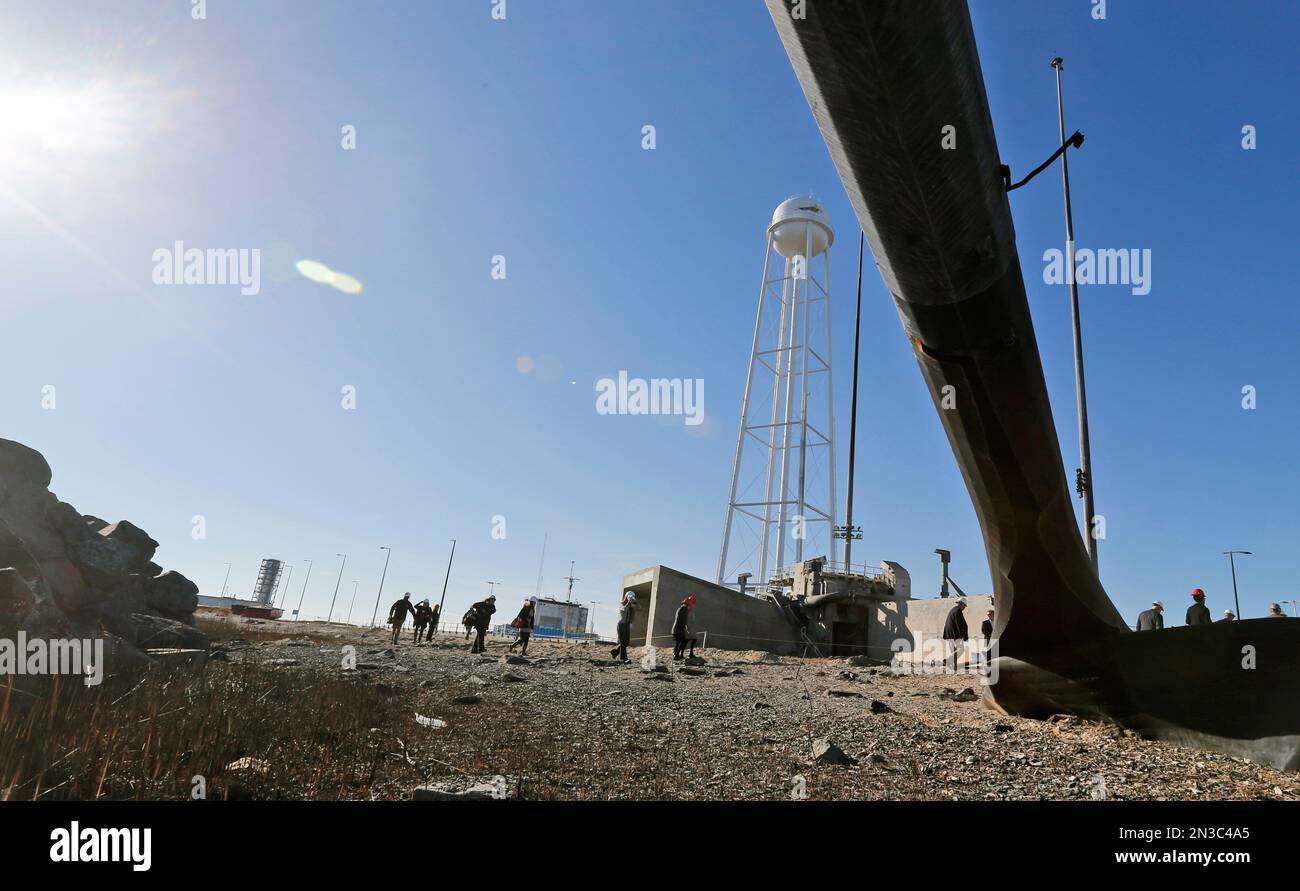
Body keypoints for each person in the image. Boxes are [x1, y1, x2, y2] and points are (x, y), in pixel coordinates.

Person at [941, 598, 968, 671]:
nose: (964, 608)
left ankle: (953, 666)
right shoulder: (958, 611)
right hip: (955, 634)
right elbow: (959, 624)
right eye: (964, 606)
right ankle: (947, 660)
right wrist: (963, 636)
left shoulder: (953, 610)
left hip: (948, 633)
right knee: (960, 649)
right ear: (962, 604)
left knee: (953, 651)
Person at [610, 591, 636, 663]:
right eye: (629, 597)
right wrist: (628, 602)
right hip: (621, 625)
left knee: (626, 643)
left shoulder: (631, 606)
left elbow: (639, 608)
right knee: (622, 642)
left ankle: (615, 652)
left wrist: (634, 602)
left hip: (627, 625)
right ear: (626, 597)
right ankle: (624, 659)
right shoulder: (622, 605)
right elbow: (624, 609)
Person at [672, 595, 697, 660]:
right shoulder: (684, 609)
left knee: (679, 642)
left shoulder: (681, 608)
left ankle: (677, 655)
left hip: (677, 629)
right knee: (683, 641)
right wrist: (687, 629)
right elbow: (683, 620)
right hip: (679, 629)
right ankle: (676, 656)